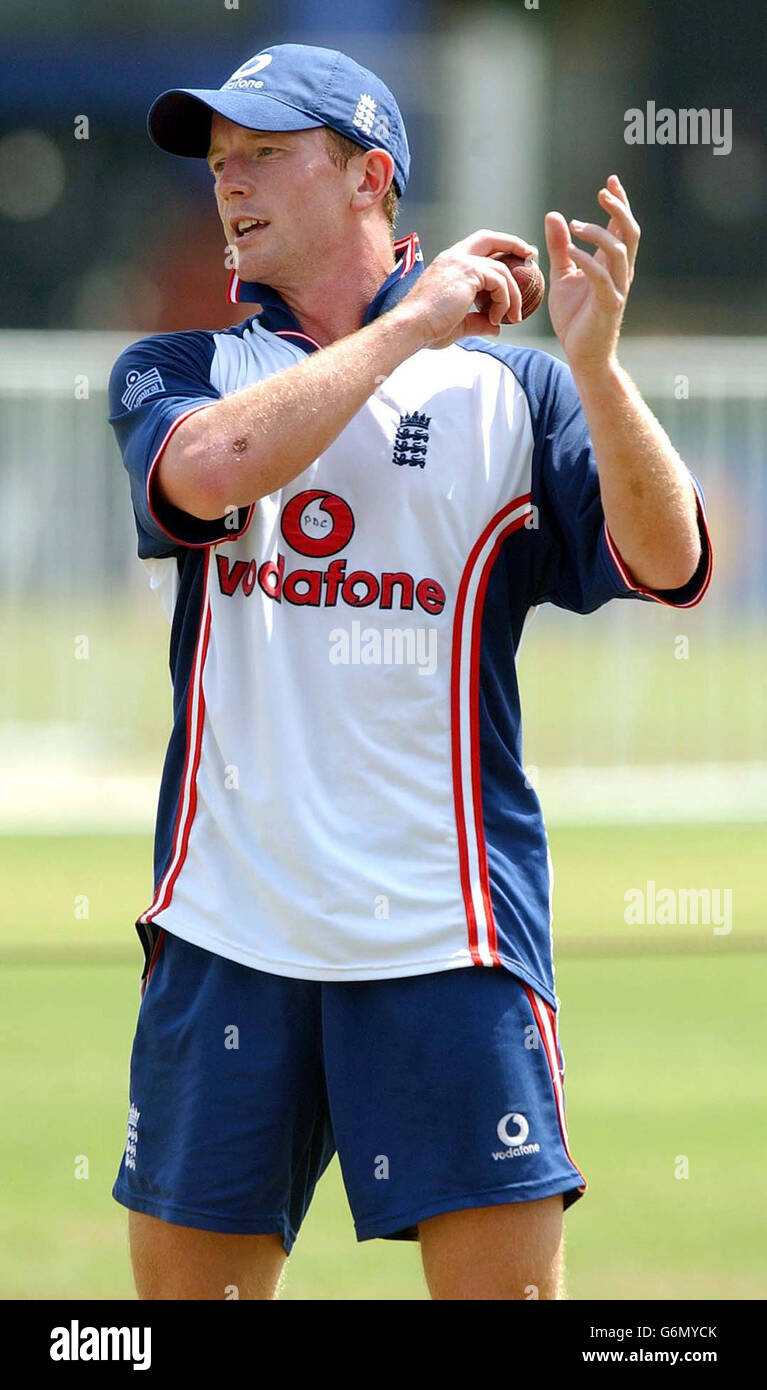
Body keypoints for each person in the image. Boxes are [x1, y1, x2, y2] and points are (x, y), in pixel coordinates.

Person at [108, 42, 712, 1301]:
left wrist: (595, 372)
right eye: (220, 162)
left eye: (265, 154)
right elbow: (207, 475)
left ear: (368, 174)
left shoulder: (517, 389)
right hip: (230, 931)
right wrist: (415, 321)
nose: (229, 184)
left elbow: (670, 562)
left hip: (452, 939)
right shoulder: (177, 372)